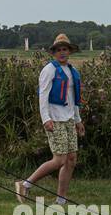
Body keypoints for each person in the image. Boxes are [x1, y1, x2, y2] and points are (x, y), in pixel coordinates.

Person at [16, 33, 84, 204]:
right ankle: (25, 184)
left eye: (65, 49)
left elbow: (74, 98)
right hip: (54, 118)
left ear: (69, 51)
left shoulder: (73, 71)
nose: (62, 52)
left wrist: (77, 120)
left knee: (71, 159)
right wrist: (46, 118)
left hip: (69, 119)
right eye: (59, 50)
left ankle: (61, 199)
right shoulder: (49, 70)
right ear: (54, 52)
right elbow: (43, 96)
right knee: (59, 159)